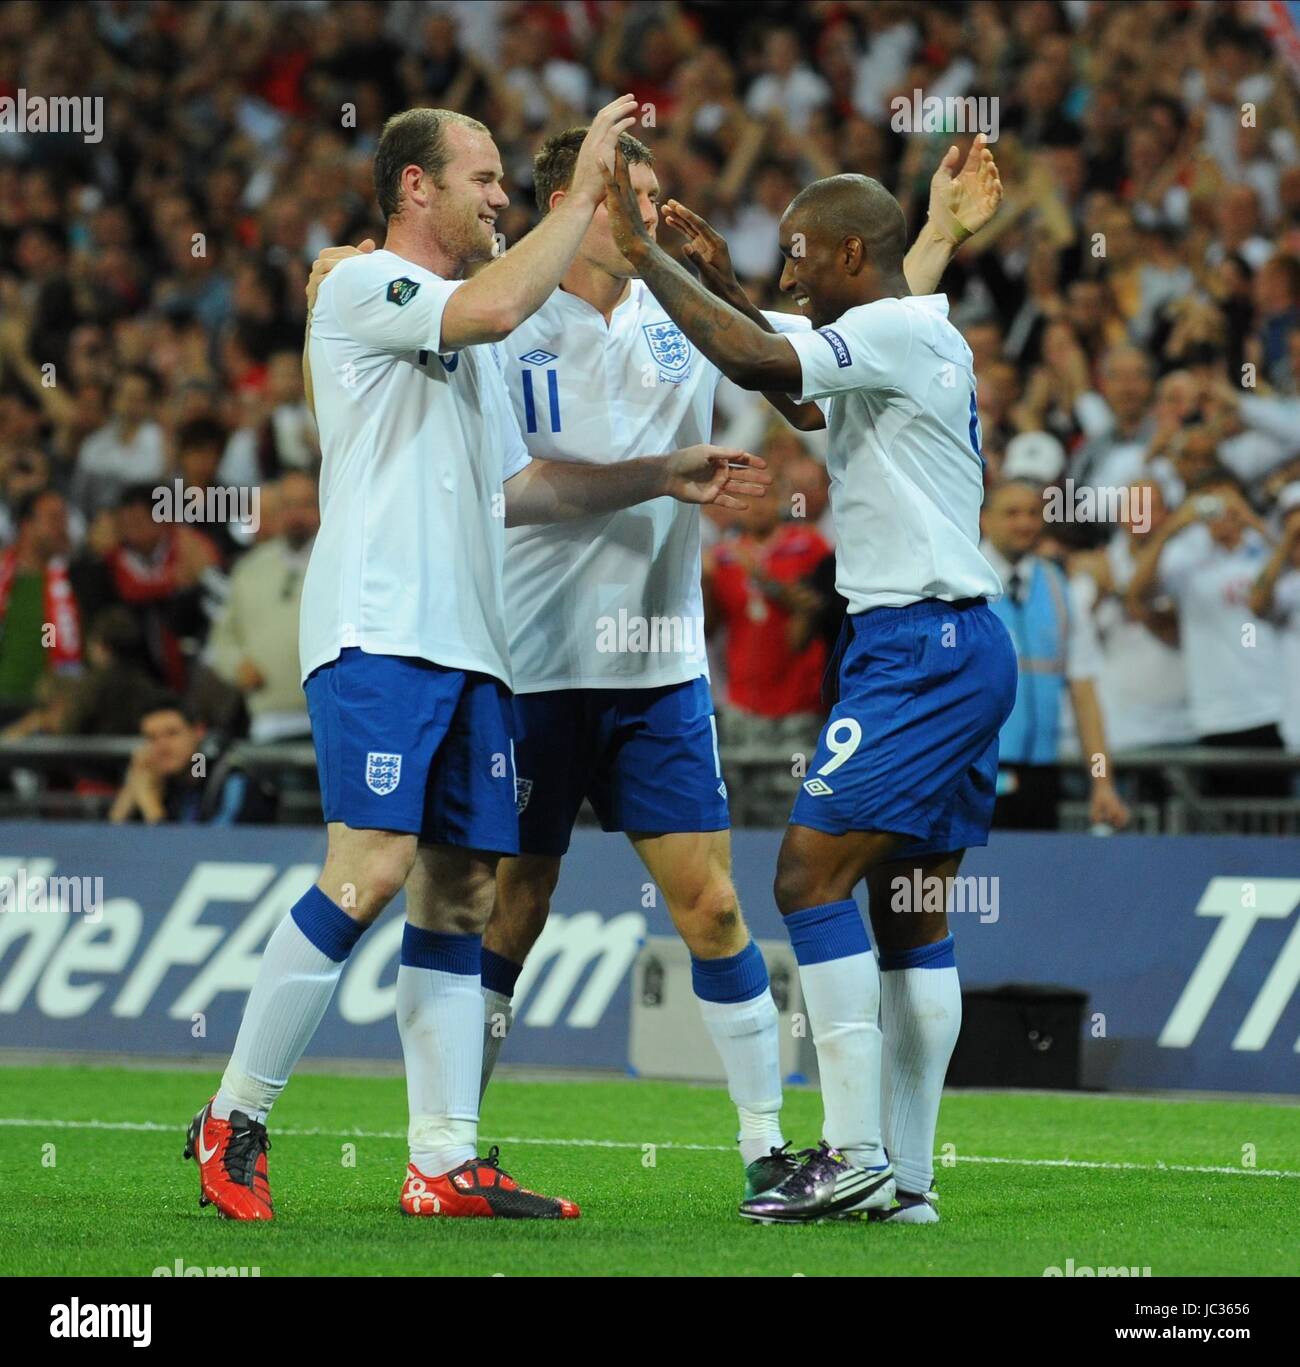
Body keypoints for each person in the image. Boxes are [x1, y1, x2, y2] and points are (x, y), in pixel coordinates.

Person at [305, 131, 1006, 1214]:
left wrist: (699, 274)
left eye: (650, 194)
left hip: (668, 663)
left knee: (726, 902)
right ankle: (450, 1148)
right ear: (567, 201)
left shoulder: (680, 316)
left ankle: (790, 1146)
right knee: (505, 906)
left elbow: (803, 355)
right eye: (622, 195)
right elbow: (507, 480)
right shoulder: (502, 312)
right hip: (530, 655)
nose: (643, 212)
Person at [186, 97, 772, 1225]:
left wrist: (661, 473)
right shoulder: (369, 289)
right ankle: (233, 1113)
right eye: (484, 178)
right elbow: (504, 303)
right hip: (381, 628)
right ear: (415, 187)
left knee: (456, 894)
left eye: (510, 180)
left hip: (473, 642)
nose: (499, 196)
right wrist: (590, 181)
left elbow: (527, 489)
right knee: (369, 865)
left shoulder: (461, 322)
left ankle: (442, 1160)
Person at [598, 142, 1016, 1223]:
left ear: (846, 252)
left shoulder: (890, 326)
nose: (787, 276)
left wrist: (642, 253)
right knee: (912, 912)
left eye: (796, 257)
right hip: (949, 643)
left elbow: (752, 363)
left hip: (919, 647)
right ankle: (908, 1184)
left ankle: (852, 1149)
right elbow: (804, 397)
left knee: (805, 879)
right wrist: (726, 284)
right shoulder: (900, 333)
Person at [979, 479, 1131, 830]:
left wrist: (1102, 782)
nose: (1025, 523)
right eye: (1012, 513)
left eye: (1033, 513)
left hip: (1041, 775)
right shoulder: (962, 585)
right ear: (985, 519)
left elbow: (1085, 694)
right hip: (974, 772)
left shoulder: (1060, 588)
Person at [206, 471, 319, 742]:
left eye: (305, 505)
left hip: (329, 714)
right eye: (287, 506)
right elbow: (221, 639)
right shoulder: (250, 568)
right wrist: (237, 665)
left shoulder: (342, 561)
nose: (296, 516)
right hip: (268, 719)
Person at [108, 695, 272, 825]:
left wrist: (151, 807)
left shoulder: (231, 779)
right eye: (152, 738)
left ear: (199, 732)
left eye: (172, 733)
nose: (162, 747)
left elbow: (207, 852)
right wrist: (133, 788)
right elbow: (112, 848)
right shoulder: (162, 781)